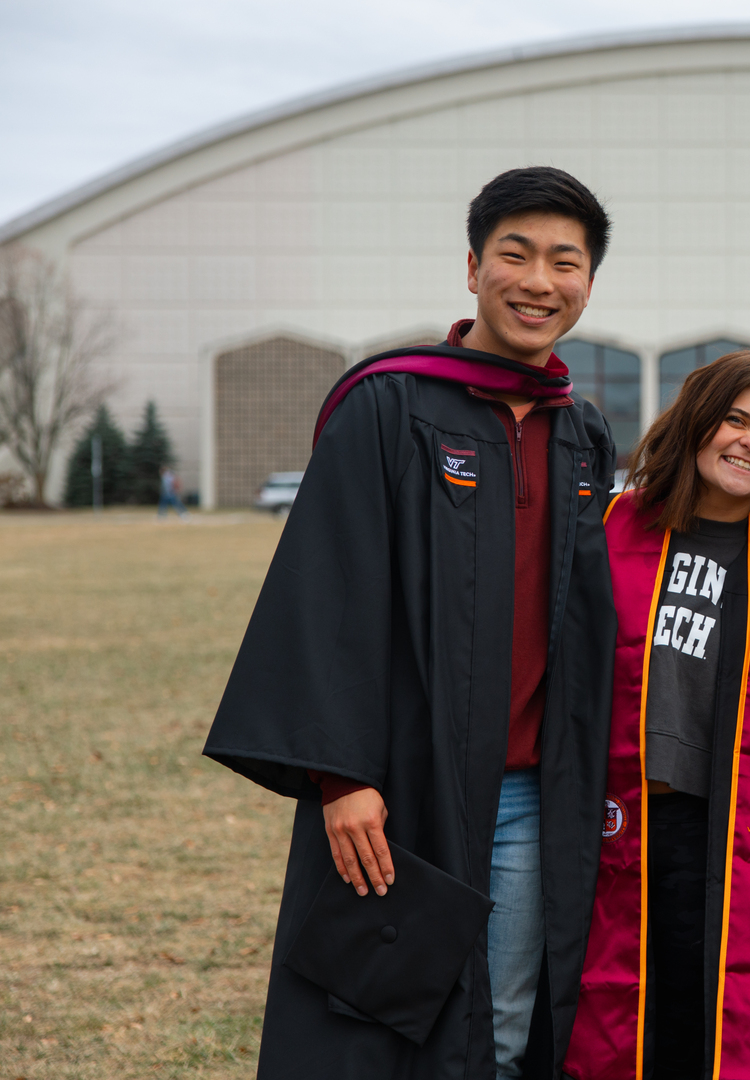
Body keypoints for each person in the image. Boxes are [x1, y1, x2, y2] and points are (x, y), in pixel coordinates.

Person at [203, 166, 619, 1079]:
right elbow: (326, 593)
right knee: (374, 1025)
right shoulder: (388, 406)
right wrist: (339, 776)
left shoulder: (582, 436)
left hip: (528, 796)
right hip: (396, 789)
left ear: (589, 284)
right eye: (515, 255)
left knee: (503, 1029)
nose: (538, 282)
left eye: (565, 262)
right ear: (473, 268)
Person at [564, 351, 750, 1080]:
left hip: (716, 826)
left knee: (695, 1023)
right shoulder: (609, 527)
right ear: (696, 425)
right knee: (598, 1021)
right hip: (606, 813)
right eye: (736, 419)